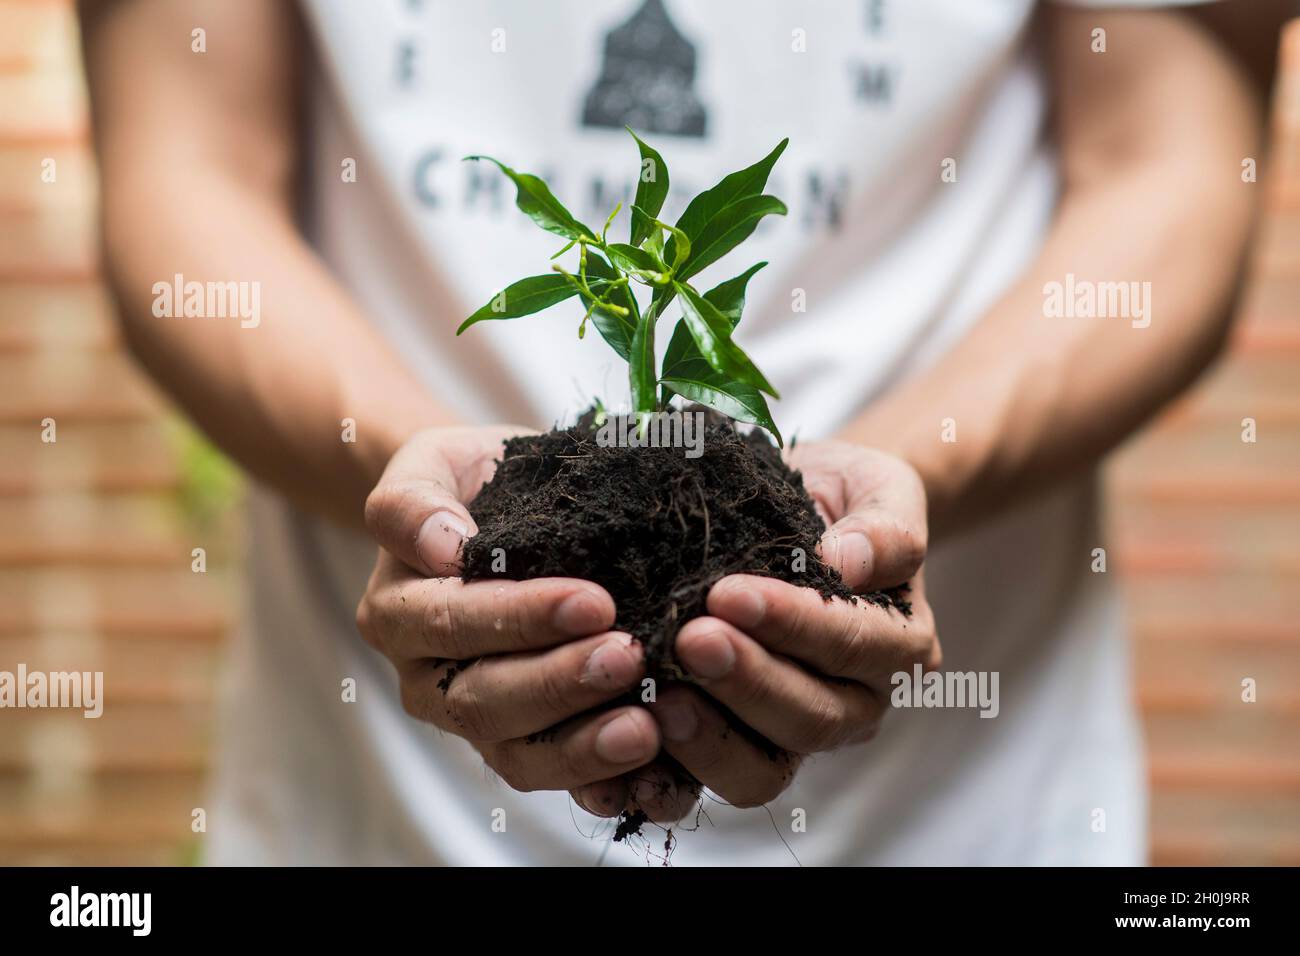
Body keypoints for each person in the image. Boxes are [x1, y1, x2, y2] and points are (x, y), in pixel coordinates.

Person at [78, 0, 1284, 865]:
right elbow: (187, 166)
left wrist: (904, 475)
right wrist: (436, 497)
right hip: (371, 812)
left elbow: (1166, 161)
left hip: (964, 815)